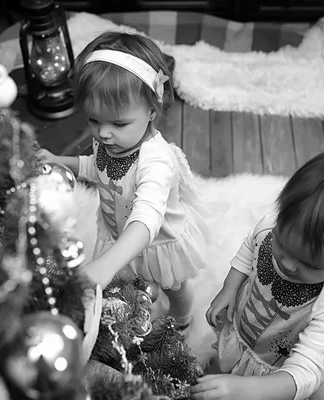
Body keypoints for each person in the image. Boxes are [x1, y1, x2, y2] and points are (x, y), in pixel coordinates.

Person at [36, 31, 210, 333]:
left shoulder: (156, 161)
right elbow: (97, 167)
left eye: (118, 123)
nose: (103, 134)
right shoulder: (111, 143)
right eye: (93, 120)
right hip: (118, 234)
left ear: (152, 110)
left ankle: (182, 320)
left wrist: (107, 263)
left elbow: (147, 217)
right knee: (127, 285)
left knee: (175, 286)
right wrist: (60, 161)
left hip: (158, 242)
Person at [190, 150, 324, 400]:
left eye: (309, 264)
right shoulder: (271, 226)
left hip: (279, 378)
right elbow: (250, 245)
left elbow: (306, 372)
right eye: (282, 244)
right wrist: (230, 286)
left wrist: (245, 389)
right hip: (244, 335)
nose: (286, 263)